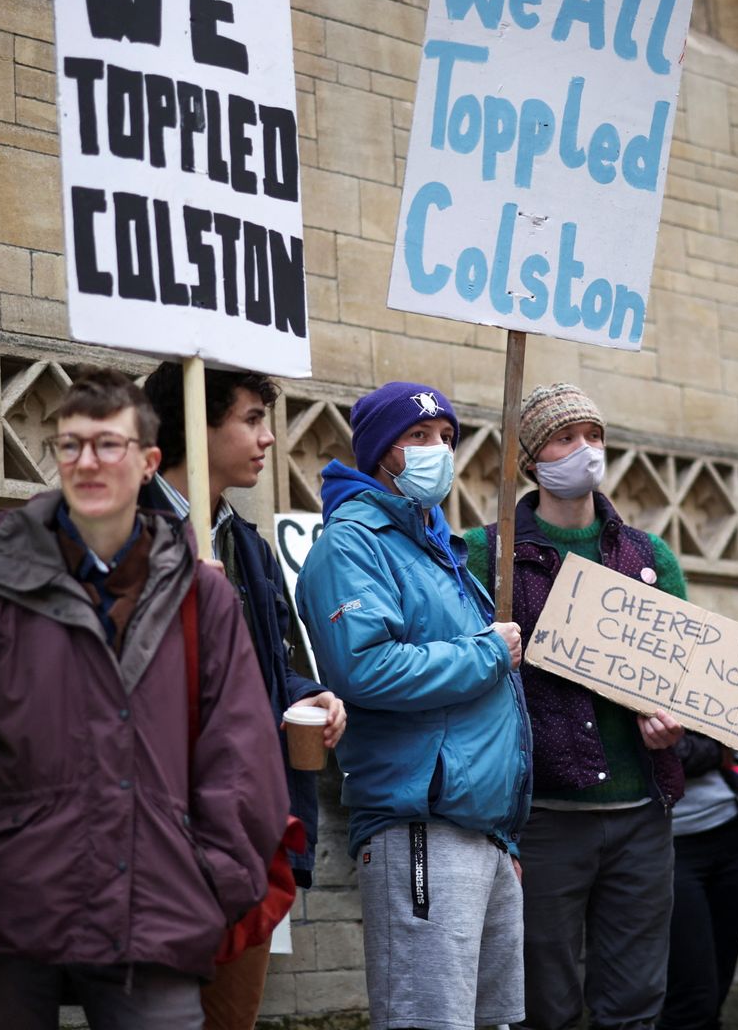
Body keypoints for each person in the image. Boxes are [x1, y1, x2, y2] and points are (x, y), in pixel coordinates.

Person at [0, 369, 289, 1030]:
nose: (89, 462)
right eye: (72, 446)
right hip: (4, 912)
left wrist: (209, 888)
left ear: (150, 461)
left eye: (109, 445)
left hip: (155, 910)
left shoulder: (202, 593)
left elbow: (242, 758)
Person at [294, 381, 531, 1030]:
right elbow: (365, 668)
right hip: (420, 826)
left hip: (481, 833)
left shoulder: (438, 549)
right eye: (418, 438)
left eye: (447, 438)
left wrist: (504, 832)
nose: (438, 451)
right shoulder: (352, 545)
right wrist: (487, 654)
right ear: (379, 454)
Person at [459, 383, 686, 1030]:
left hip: (642, 815)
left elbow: (691, 675)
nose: (584, 450)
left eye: (594, 436)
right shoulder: (487, 555)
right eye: (565, 438)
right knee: (542, 1001)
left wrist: (676, 728)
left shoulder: (650, 558)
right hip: (543, 819)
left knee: (635, 1000)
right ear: (532, 459)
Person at [140, 363, 347, 1030]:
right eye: (251, 420)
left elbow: (271, 665)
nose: (266, 440)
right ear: (193, 426)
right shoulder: (123, 536)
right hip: (158, 834)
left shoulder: (248, 548)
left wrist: (311, 694)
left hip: (247, 838)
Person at [660, 734, 738, 1030]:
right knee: (691, 999)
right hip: (669, 846)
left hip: (731, 834)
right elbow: (669, 754)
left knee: (715, 991)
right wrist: (719, 748)